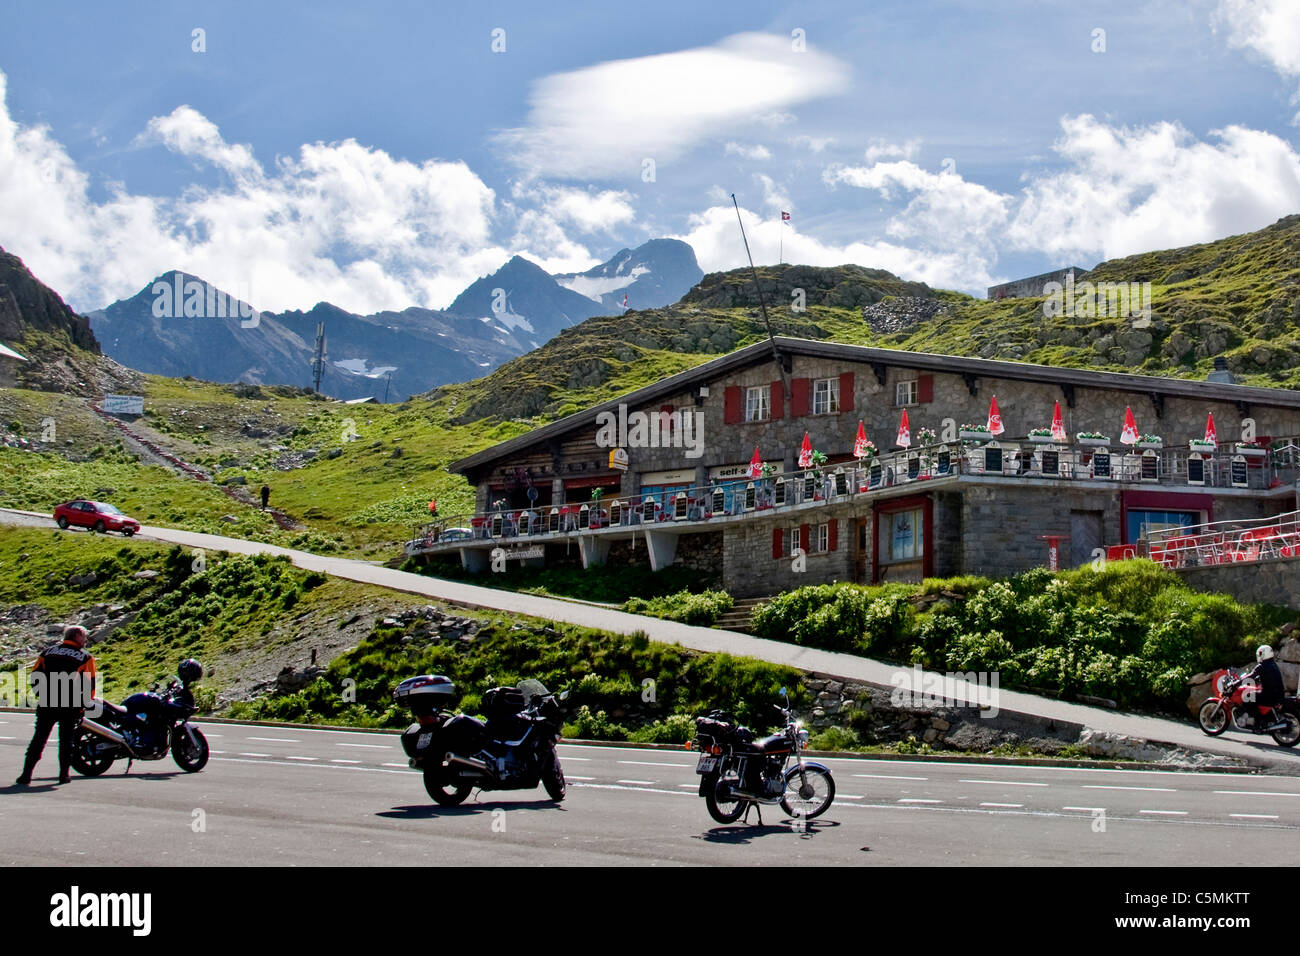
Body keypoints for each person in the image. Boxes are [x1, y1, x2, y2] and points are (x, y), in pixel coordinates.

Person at [16, 625, 97, 785]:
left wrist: (41, 694)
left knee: (38, 739)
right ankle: (64, 775)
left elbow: (35, 675)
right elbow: (90, 684)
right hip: (70, 704)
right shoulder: (85, 657)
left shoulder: (47, 652)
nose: (85, 639)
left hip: (48, 702)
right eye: (84, 636)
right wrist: (83, 705)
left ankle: (26, 774)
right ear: (76, 636)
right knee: (66, 741)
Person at [1244, 645, 1286, 730]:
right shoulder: (1273, 664)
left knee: (1247, 697)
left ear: (1263, 654)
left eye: (1260, 654)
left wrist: (1236, 682)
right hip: (1279, 693)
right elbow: (1267, 676)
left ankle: (1258, 722)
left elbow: (1251, 675)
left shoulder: (1262, 666)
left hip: (1269, 695)